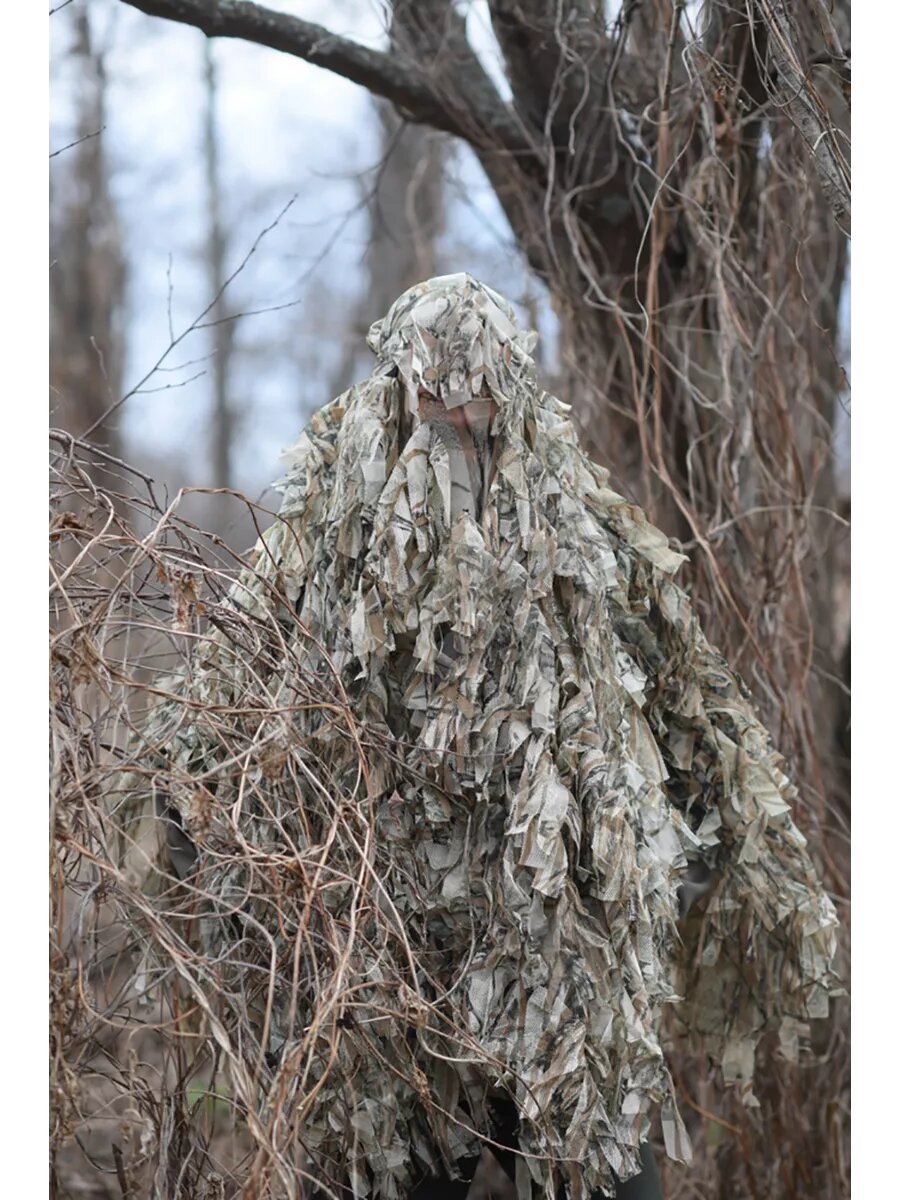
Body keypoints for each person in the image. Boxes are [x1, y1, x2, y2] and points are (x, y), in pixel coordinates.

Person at [141, 274, 839, 1199]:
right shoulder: (329, 532)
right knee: (385, 1173)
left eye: (480, 398)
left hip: (561, 947)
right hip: (393, 953)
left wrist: (716, 834)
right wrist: (191, 822)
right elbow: (227, 684)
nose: (458, 420)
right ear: (400, 387)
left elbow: (679, 679)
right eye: (435, 397)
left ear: (512, 385)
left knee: (602, 1174)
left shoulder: (575, 519)